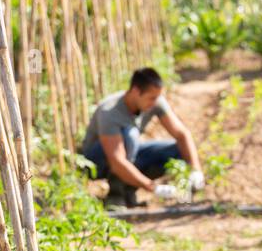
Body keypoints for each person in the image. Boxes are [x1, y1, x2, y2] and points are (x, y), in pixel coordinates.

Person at [80, 66, 205, 208]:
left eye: (157, 98)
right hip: (96, 161)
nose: (154, 103)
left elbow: (182, 135)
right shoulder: (109, 111)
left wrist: (196, 170)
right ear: (135, 91)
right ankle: (116, 194)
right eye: (151, 98)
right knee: (130, 136)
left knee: (177, 150)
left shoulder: (155, 101)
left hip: (127, 154)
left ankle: (130, 190)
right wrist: (153, 187)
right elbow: (117, 160)